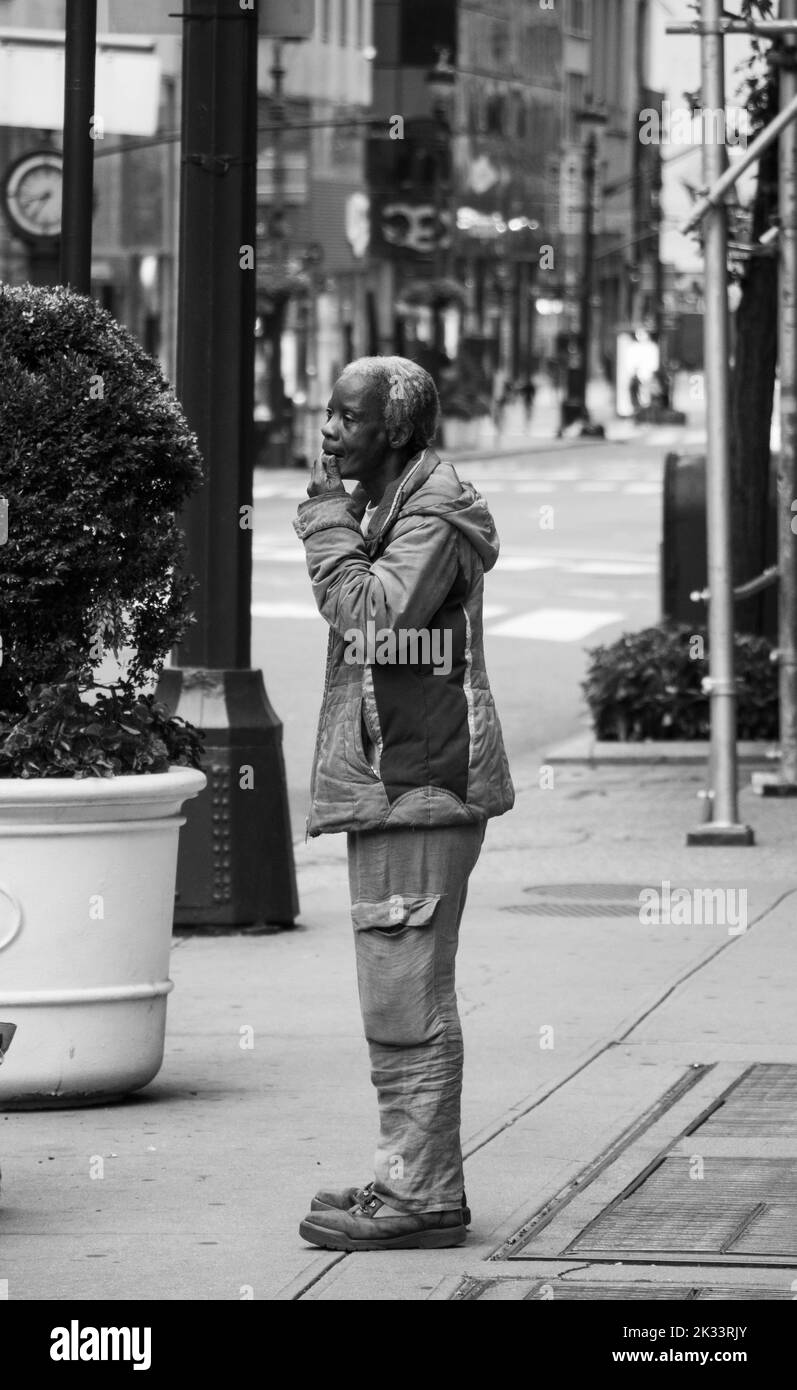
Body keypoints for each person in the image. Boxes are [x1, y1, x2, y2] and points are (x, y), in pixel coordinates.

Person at [292, 356, 515, 1252]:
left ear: (396, 432)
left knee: (405, 997)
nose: (329, 429)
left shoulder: (426, 514)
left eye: (347, 418)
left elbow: (372, 616)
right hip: (401, 777)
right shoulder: (395, 505)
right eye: (330, 413)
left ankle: (418, 1191)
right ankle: (411, 1177)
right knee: (398, 988)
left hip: (420, 780)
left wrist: (321, 520)